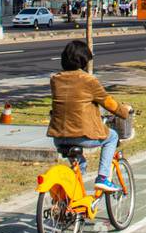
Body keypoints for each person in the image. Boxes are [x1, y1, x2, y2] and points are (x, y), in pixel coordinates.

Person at [47, 40, 131, 194]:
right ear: (83, 61)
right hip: (82, 135)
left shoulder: (55, 79)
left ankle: (70, 200)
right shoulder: (88, 80)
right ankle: (103, 178)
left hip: (58, 136)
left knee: (80, 165)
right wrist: (124, 111)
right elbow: (108, 102)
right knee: (112, 136)